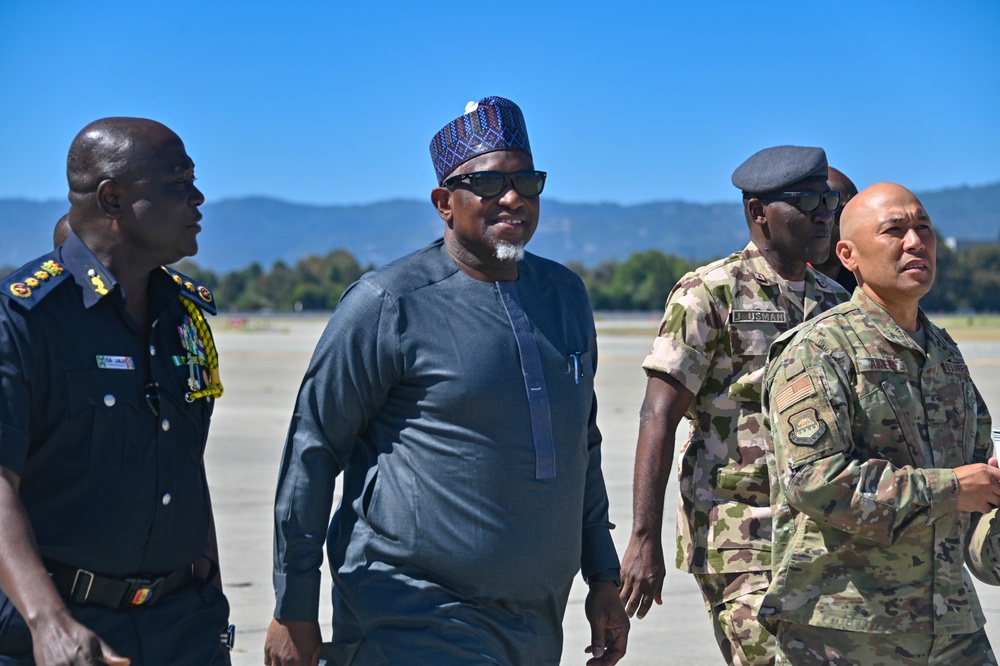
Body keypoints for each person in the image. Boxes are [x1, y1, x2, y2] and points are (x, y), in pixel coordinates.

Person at [264, 96, 628, 666]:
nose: (512, 198)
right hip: (410, 610)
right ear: (444, 203)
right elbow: (311, 453)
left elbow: (581, 445)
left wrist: (603, 575)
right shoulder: (387, 304)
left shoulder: (565, 297)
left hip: (536, 618)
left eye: (527, 181)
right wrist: (295, 605)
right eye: (487, 183)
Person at [0, 117, 231, 664]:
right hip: (67, 631)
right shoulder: (23, 318)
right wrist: (48, 620)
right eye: (178, 183)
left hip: (183, 625)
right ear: (113, 199)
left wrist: (212, 597)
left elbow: (184, 465)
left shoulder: (183, 315)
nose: (198, 199)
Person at [619, 146, 849, 665]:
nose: (823, 212)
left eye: (828, 199)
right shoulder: (710, 294)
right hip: (739, 535)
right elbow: (658, 414)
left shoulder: (834, 301)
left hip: (819, 536)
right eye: (807, 199)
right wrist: (642, 538)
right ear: (758, 213)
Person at [760, 182, 1000, 665]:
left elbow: (979, 507)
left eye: (924, 228)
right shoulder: (818, 350)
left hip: (951, 627)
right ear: (848, 255)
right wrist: (952, 488)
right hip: (847, 630)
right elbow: (815, 481)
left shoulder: (945, 353)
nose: (916, 242)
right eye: (895, 230)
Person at [811, 166, 859, 291]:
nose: (854, 226)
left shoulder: (868, 284)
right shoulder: (789, 282)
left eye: (858, 215)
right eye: (842, 215)